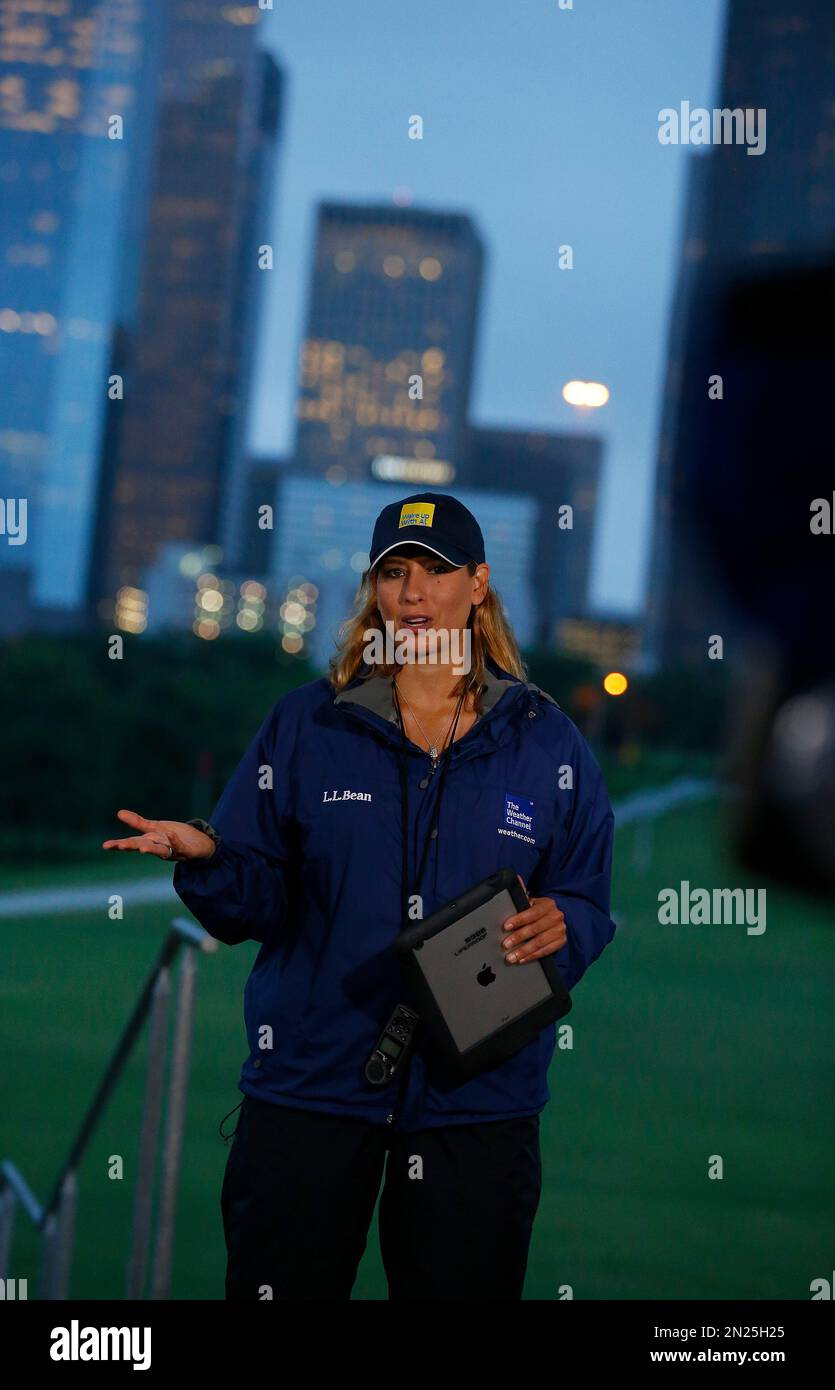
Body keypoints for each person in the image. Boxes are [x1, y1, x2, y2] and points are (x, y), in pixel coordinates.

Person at [103, 491, 617, 1300]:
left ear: (477, 584)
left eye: (435, 571)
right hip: (311, 1090)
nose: (412, 593)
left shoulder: (543, 738)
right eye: (393, 572)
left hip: (476, 1103)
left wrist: (569, 926)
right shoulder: (308, 725)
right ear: (374, 589)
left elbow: (586, 896)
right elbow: (257, 903)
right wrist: (204, 855)